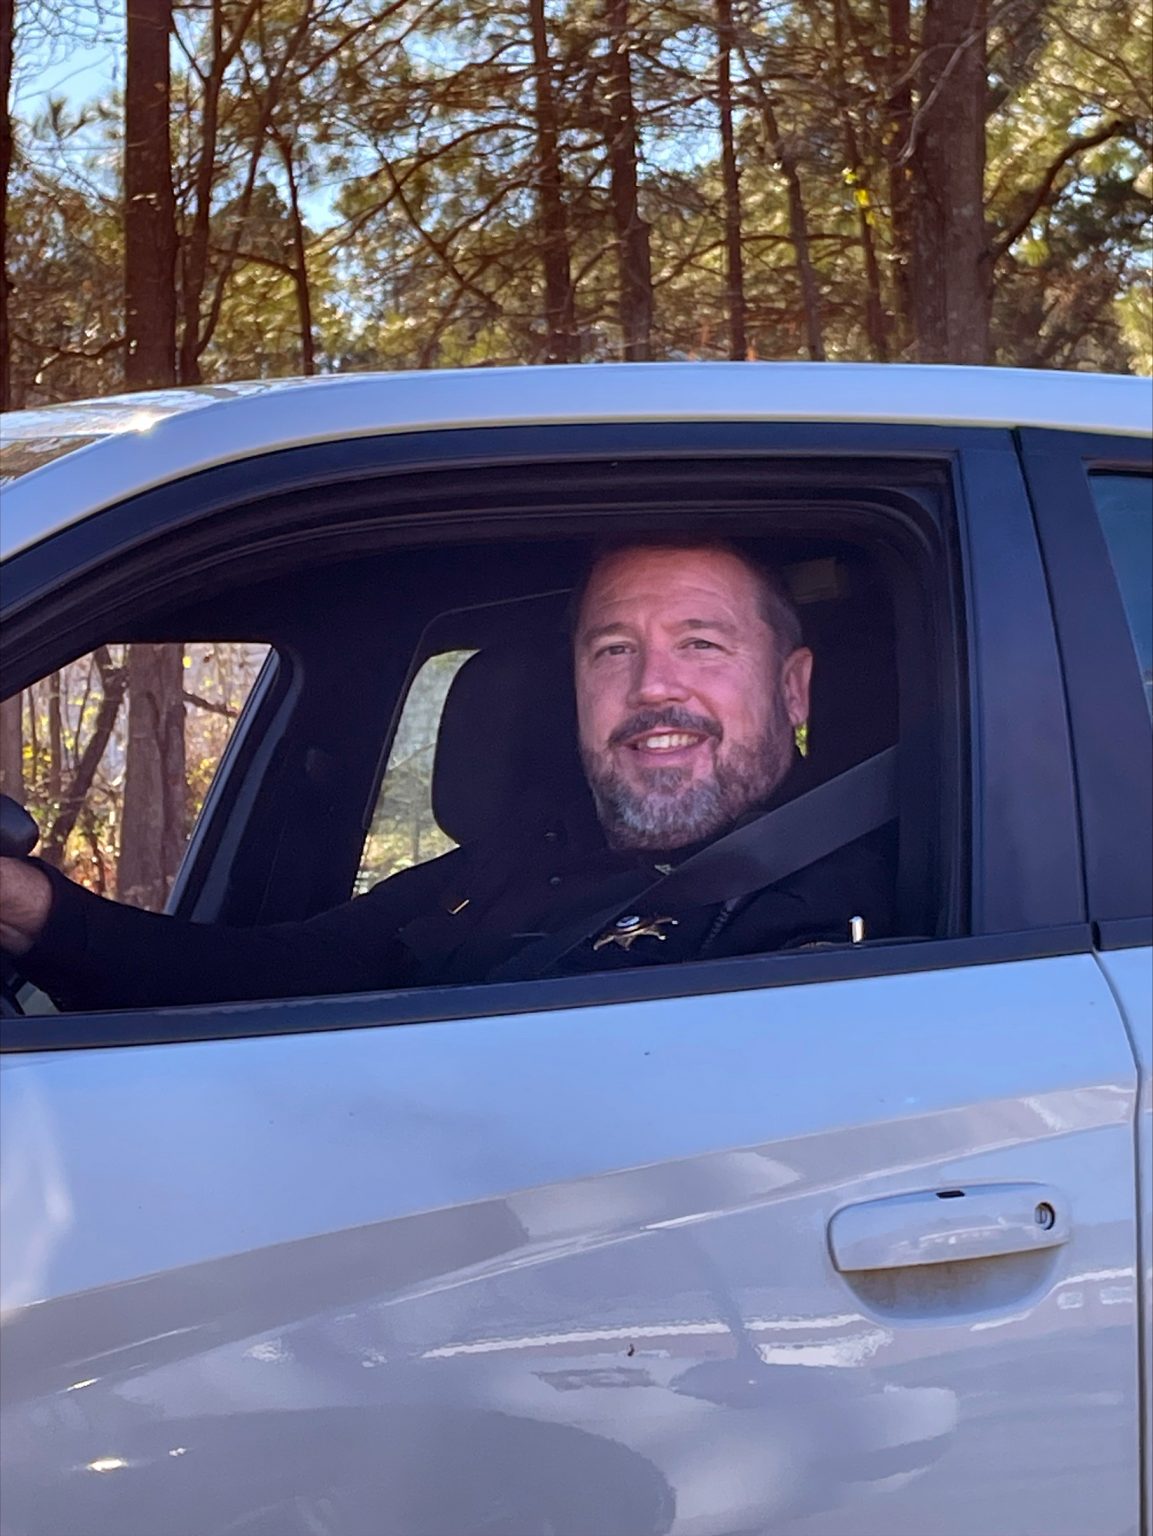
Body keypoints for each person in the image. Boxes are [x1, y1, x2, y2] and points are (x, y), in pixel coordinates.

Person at [0, 540, 894, 1011]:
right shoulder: (522, 859)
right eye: (612, 650)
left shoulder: (872, 914)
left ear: (792, 687)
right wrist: (40, 912)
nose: (653, 685)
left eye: (700, 644)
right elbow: (275, 975)